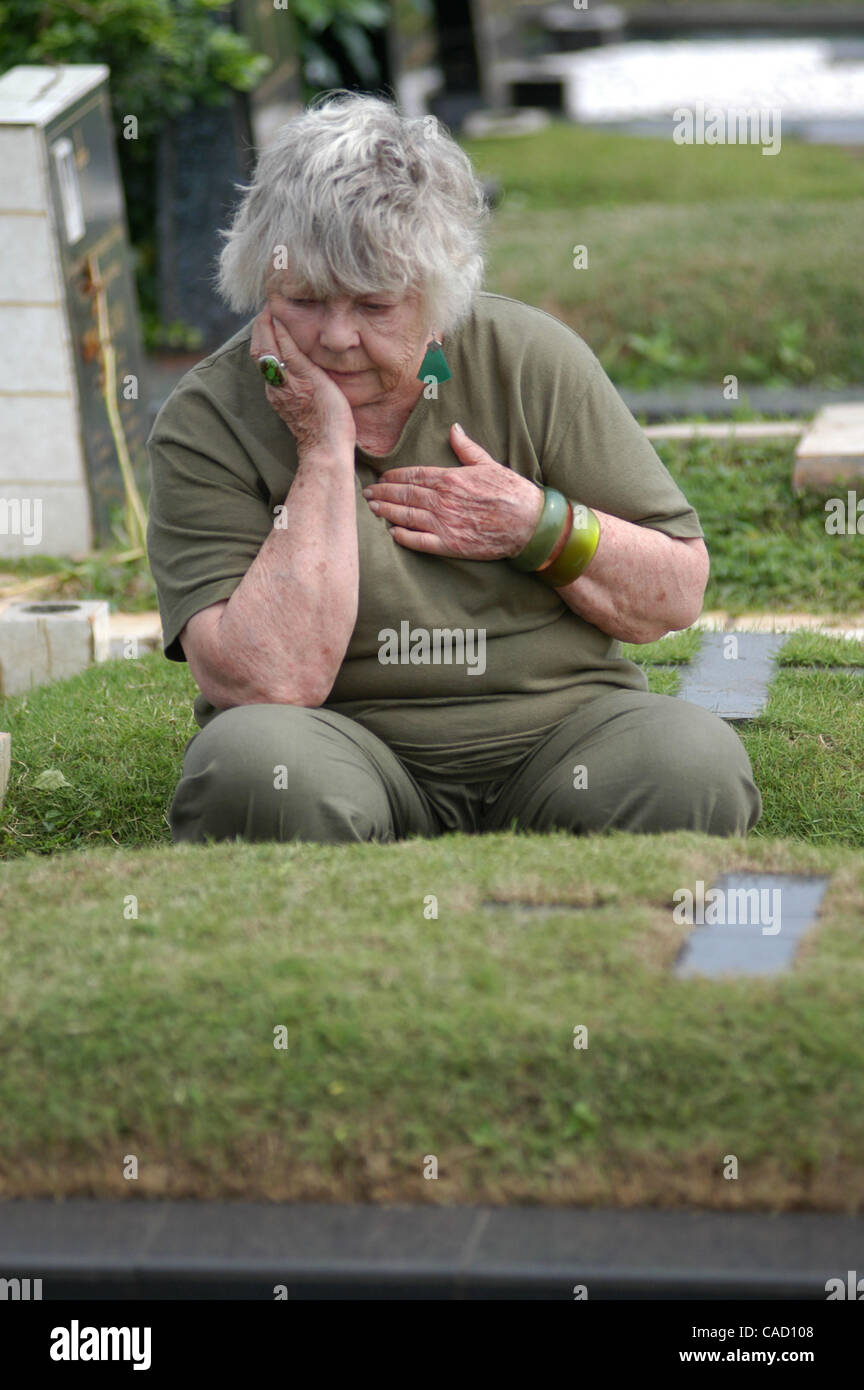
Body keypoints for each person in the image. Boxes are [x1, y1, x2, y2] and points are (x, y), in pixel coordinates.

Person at [145, 90, 762, 845]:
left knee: (690, 762)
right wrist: (323, 452)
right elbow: (269, 683)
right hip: (339, 748)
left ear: (440, 296)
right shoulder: (209, 417)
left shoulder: (530, 359)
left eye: (374, 305)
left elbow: (672, 594)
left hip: (562, 735)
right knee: (249, 770)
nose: (335, 337)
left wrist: (539, 526)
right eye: (304, 299)